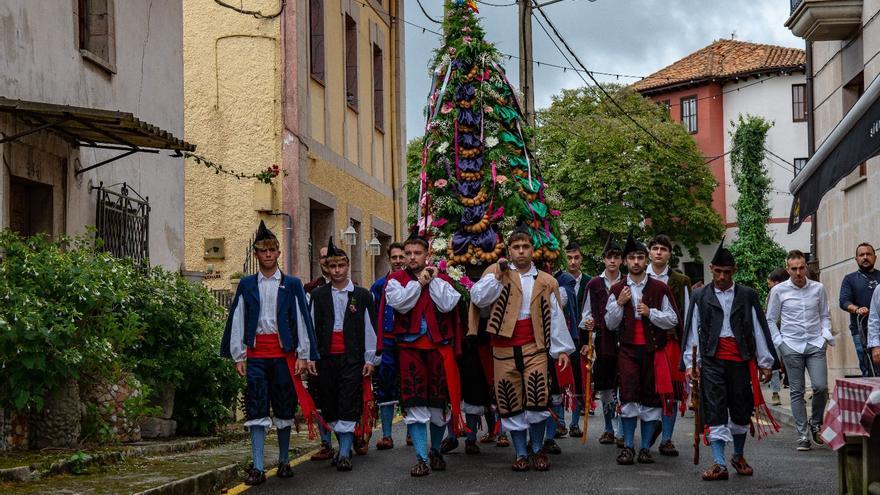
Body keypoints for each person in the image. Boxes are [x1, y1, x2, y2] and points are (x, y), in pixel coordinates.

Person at [220, 221, 319, 486]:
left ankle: (285, 461)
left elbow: (300, 320)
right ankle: (259, 466)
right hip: (256, 356)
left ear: (277, 253)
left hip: (284, 355)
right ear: (256, 254)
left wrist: (303, 354)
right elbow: (238, 318)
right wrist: (239, 356)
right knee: (256, 407)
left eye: (272, 250)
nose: (267, 255)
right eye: (262, 250)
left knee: (285, 406)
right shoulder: (247, 285)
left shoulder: (293, 284)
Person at [469, 225, 575, 472]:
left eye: (525, 246)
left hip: (534, 346)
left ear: (533, 250)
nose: (521, 251)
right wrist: (497, 276)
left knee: (538, 398)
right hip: (503, 347)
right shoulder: (495, 273)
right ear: (509, 250)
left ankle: (537, 449)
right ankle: (520, 453)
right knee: (509, 400)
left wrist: (560, 350)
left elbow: (556, 315)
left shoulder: (546, 281)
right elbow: (478, 299)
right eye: (516, 247)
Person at [683, 242, 778, 481]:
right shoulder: (699, 296)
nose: (722, 277)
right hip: (711, 359)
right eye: (718, 272)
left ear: (734, 270)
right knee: (714, 408)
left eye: (727, 272)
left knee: (740, 408)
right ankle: (718, 463)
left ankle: (738, 455)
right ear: (711, 269)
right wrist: (690, 364)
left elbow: (758, 328)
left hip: (740, 360)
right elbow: (693, 332)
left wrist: (765, 361)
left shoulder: (747, 295)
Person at [379, 233, 464, 477]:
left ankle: (435, 450)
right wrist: (419, 283)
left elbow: (448, 304)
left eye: (417, 253)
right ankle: (421, 456)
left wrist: (433, 280)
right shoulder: (396, 280)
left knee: (438, 405)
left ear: (428, 255)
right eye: (408, 254)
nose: (412, 257)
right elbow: (401, 304)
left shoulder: (442, 279)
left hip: (438, 350)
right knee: (414, 403)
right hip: (410, 350)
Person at [605, 232, 679, 465]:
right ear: (625, 261)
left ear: (645, 260)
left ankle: (645, 447)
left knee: (651, 399)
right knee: (628, 397)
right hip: (627, 350)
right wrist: (619, 304)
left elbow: (673, 319)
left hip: (652, 350)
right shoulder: (617, 289)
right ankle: (628, 446)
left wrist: (651, 313)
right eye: (632, 258)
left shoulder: (659, 288)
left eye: (639, 257)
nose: (636, 262)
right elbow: (609, 323)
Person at [309, 238, 381, 471]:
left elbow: (370, 328)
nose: (337, 270)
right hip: (326, 357)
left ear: (347, 265)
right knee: (329, 404)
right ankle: (343, 447)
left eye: (341, 265)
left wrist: (371, 359)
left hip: (353, 357)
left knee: (348, 402)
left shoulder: (361, 295)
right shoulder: (318, 295)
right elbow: (311, 327)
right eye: (333, 266)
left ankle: (343, 454)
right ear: (326, 268)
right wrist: (309, 355)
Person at [766, 250, 834, 451]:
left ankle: (816, 423)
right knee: (796, 391)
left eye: (801, 267)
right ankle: (802, 435)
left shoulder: (818, 288)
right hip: (791, 345)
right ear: (787, 269)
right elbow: (770, 319)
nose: (798, 272)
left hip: (814, 343)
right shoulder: (779, 291)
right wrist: (780, 343)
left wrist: (824, 337)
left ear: (806, 267)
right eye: (793, 268)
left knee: (821, 387)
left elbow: (825, 315)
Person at [645, 234, 691, 457]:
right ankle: (648, 431)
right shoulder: (638, 277)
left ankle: (667, 439)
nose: (659, 252)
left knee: (671, 392)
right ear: (649, 252)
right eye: (655, 248)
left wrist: (689, 347)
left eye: (663, 249)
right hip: (643, 342)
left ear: (669, 254)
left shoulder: (681, 281)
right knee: (648, 391)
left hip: (671, 342)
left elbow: (688, 316)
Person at [580, 238, 624, 447]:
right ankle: (608, 428)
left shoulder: (627, 282)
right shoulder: (594, 284)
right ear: (604, 259)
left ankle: (622, 428)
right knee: (606, 385)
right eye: (609, 257)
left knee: (624, 385)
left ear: (621, 260)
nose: (613, 260)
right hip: (603, 340)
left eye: (616, 257)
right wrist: (587, 322)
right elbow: (586, 313)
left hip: (625, 339)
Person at [370, 242, 407, 450]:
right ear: (389, 259)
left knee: (409, 384)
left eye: (402, 257)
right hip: (386, 342)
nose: (399, 261)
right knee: (385, 385)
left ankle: (411, 432)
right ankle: (386, 434)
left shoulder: (413, 282)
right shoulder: (377, 286)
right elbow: (373, 317)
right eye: (395, 257)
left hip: (408, 340)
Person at [839, 243, 880, 377]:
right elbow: (844, 302)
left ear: (875, 257)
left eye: (868, 254)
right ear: (856, 259)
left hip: (878, 328)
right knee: (868, 367)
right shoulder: (849, 279)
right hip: (861, 330)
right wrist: (857, 309)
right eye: (861, 255)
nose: (865, 257)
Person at [766, 268, 790, 405]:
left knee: (793, 364)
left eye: (770, 283)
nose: (769, 287)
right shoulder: (771, 295)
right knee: (775, 364)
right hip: (775, 334)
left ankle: (797, 392)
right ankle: (775, 392)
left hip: (790, 333)